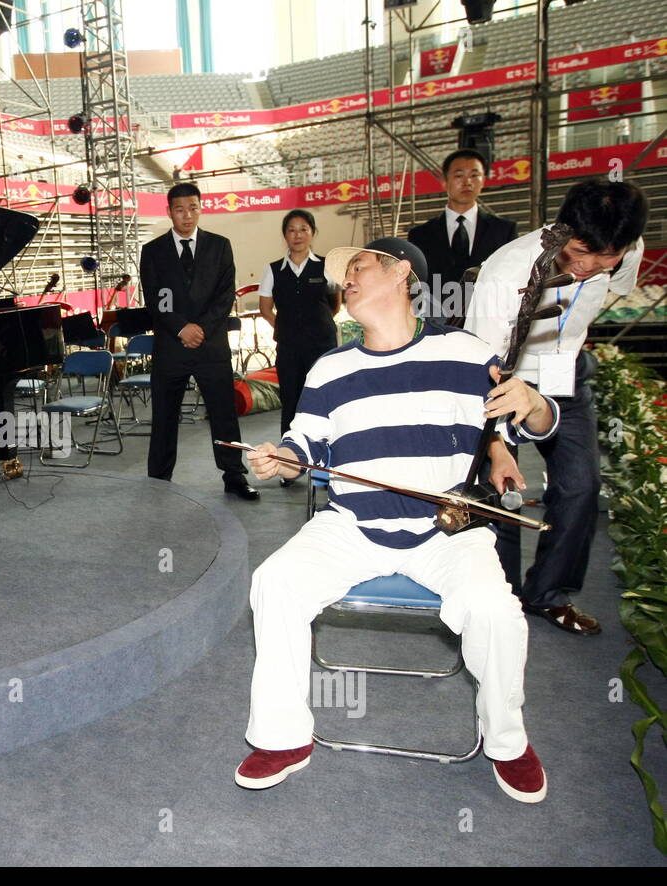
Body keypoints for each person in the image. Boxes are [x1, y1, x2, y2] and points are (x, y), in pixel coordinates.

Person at [235, 237, 558, 804]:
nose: (347, 280)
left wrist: (531, 403)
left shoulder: (465, 352)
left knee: (495, 612)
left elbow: (527, 425)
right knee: (274, 582)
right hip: (352, 525)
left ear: (401, 271)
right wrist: (281, 461)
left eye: (357, 266)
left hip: (446, 530)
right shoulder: (329, 368)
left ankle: (506, 740)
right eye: (344, 274)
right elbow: (302, 444)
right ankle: (283, 737)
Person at [465, 178, 647, 636]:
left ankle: (548, 594)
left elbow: (620, 282)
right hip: (506, 380)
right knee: (501, 490)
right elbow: (479, 362)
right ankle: (498, 597)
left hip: (567, 377)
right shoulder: (507, 270)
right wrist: (496, 447)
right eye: (580, 252)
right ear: (564, 229)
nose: (588, 267)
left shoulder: (624, 251)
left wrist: (609, 267)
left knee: (580, 487)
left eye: (604, 259)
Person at [139, 183, 256, 500]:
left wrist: (200, 328)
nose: (187, 215)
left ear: (200, 208)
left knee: (224, 416)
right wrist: (181, 328)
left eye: (192, 207)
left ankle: (234, 476)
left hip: (211, 346)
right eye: (179, 209)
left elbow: (225, 295)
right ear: (169, 212)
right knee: (164, 418)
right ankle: (159, 480)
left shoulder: (220, 246)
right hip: (171, 348)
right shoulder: (153, 251)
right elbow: (156, 299)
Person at [257, 208, 341, 484]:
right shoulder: (272, 269)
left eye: (303, 229)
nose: (298, 235)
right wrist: (284, 328)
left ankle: (326, 467)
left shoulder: (325, 265)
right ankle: (288, 466)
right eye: (292, 230)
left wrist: (316, 325)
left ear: (312, 233)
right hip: (289, 347)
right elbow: (265, 307)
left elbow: (335, 304)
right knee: (291, 402)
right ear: (285, 235)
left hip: (322, 345)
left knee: (326, 401)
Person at [408, 148, 517, 327]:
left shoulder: (504, 231)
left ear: (483, 181)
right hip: (436, 327)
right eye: (459, 175)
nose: (467, 182)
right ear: (444, 181)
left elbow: (510, 282)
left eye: (475, 175)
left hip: (487, 324)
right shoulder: (420, 235)